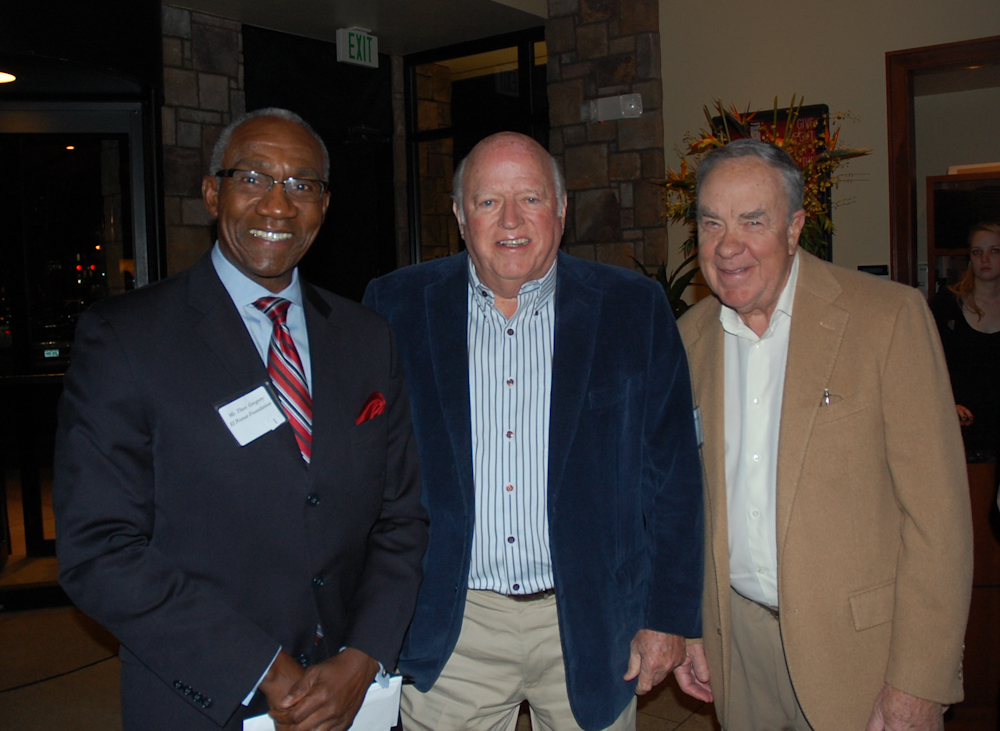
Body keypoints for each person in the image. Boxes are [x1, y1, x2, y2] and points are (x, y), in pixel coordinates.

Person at [53, 108, 428, 731]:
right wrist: (262, 667)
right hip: (205, 696)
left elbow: (401, 518)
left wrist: (363, 656)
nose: (279, 205)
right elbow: (99, 550)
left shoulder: (368, 338)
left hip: (351, 699)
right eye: (253, 177)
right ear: (211, 192)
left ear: (324, 205)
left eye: (302, 184)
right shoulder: (126, 339)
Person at [363, 131, 703, 731]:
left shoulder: (634, 309)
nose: (511, 220)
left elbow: (673, 477)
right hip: (451, 625)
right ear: (459, 215)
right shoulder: (395, 307)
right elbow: (367, 471)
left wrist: (668, 616)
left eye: (532, 199)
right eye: (488, 201)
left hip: (594, 623)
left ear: (563, 209)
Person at [672, 138, 973, 731]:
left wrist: (919, 679)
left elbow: (939, 523)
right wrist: (693, 627)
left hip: (862, 657)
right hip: (739, 650)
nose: (728, 246)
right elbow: (685, 505)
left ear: (794, 227)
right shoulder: (687, 340)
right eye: (712, 223)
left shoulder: (888, 319)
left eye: (752, 221)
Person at [931, 222, 1000, 462]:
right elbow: (926, 363)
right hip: (964, 427)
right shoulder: (946, 304)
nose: (985, 259)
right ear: (969, 257)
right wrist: (948, 403)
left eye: (995, 251)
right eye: (977, 252)